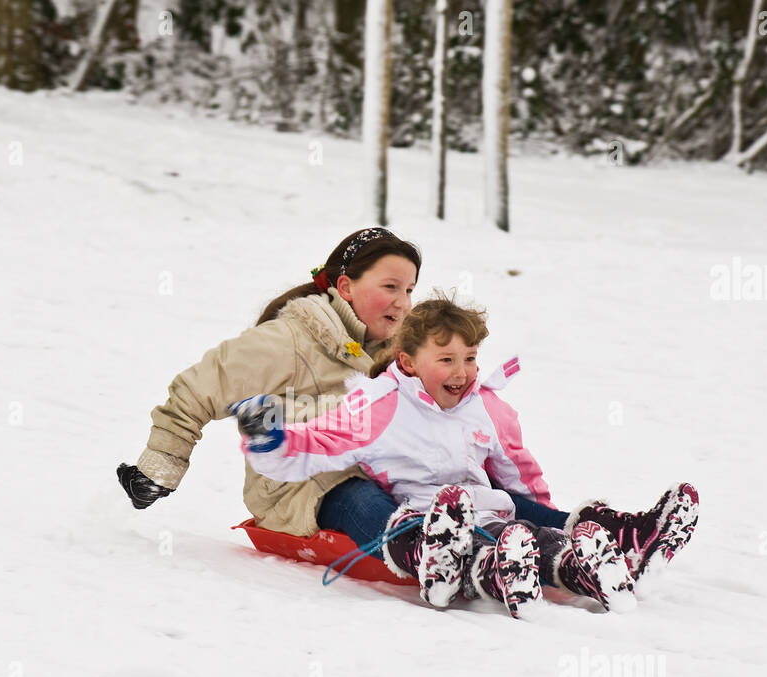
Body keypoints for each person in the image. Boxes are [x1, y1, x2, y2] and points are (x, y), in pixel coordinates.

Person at [232, 298, 700, 618]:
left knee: (528, 528)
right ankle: (454, 564)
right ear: (410, 362)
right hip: (421, 515)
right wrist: (269, 441)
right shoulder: (377, 406)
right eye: (447, 360)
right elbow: (315, 445)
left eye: (471, 358)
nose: (462, 373)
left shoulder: (485, 404)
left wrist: (547, 513)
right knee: (482, 537)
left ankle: (608, 552)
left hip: (483, 506)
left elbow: (516, 466)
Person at [117, 227, 421, 551]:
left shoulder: (400, 353)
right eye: (391, 287)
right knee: (364, 500)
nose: (403, 303)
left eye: (409, 290)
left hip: (375, 473)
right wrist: (160, 466)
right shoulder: (290, 339)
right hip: (297, 487)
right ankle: (427, 554)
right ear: (346, 287)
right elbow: (201, 387)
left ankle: (471, 551)